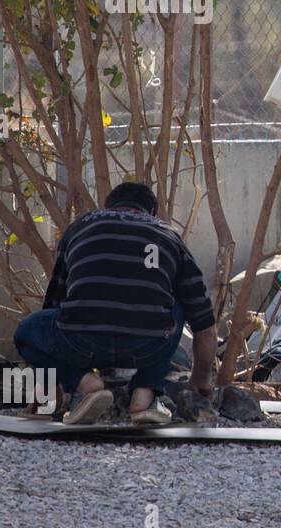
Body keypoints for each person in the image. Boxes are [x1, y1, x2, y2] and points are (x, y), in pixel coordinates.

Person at [13, 182, 217, 425]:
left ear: (107, 206)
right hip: (145, 347)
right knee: (181, 304)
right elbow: (204, 325)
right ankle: (144, 395)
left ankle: (85, 382)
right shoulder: (169, 236)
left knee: (27, 332)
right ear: (151, 212)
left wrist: (49, 386)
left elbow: (54, 306)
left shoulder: (81, 227)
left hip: (81, 343)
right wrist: (201, 379)